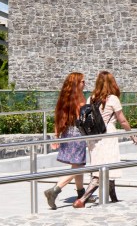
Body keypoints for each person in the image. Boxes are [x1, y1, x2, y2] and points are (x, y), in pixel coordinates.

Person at [75, 70, 137, 207]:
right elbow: (122, 120)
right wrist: (132, 135)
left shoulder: (91, 98)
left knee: (106, 167)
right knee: (101, 172)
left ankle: (114, 200)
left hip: (94, 137)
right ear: (112, 83)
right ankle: (82, 200)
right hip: (108, 136)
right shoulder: (112, 99)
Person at [44, 72, 88, 209]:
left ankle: (81, 194)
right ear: (76, 84)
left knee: (77, 164)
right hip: (77, 135)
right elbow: (83, 120)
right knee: (78, 166)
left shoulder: (65, 98)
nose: (84, 83)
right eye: (82, 81)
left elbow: (59, 118)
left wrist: (57, 136)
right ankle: (55, 190)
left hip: (67, 134)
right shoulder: (80, 100)